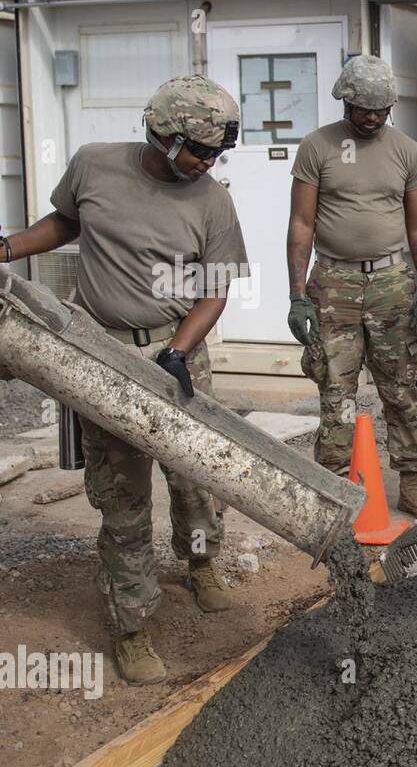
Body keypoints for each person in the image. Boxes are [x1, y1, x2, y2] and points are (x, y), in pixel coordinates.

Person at [0, 76, 248, 685]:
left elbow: (216, 290)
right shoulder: (93, 166)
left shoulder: (212, 199)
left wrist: (178, 353)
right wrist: (7, 247)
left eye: (218, 153)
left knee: (194, 478)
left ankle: (200, 562)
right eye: (198, 150)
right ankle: (132, 625)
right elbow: (64, 222)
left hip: (176, 349)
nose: (208, 163)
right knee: (122, 495)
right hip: (100, 354)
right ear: (161, 136)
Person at [286, 55, 417, 520]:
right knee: (336, 389)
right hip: (333, 281)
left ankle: (411, 485)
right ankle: (332, 492)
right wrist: (296, 294)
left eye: (380, 109)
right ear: (345, 102)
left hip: (393, 282)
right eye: (362, 109)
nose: (372, 118)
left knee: (402, 387)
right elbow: (301, 223)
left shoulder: (407, 151)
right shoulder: (317, 147)